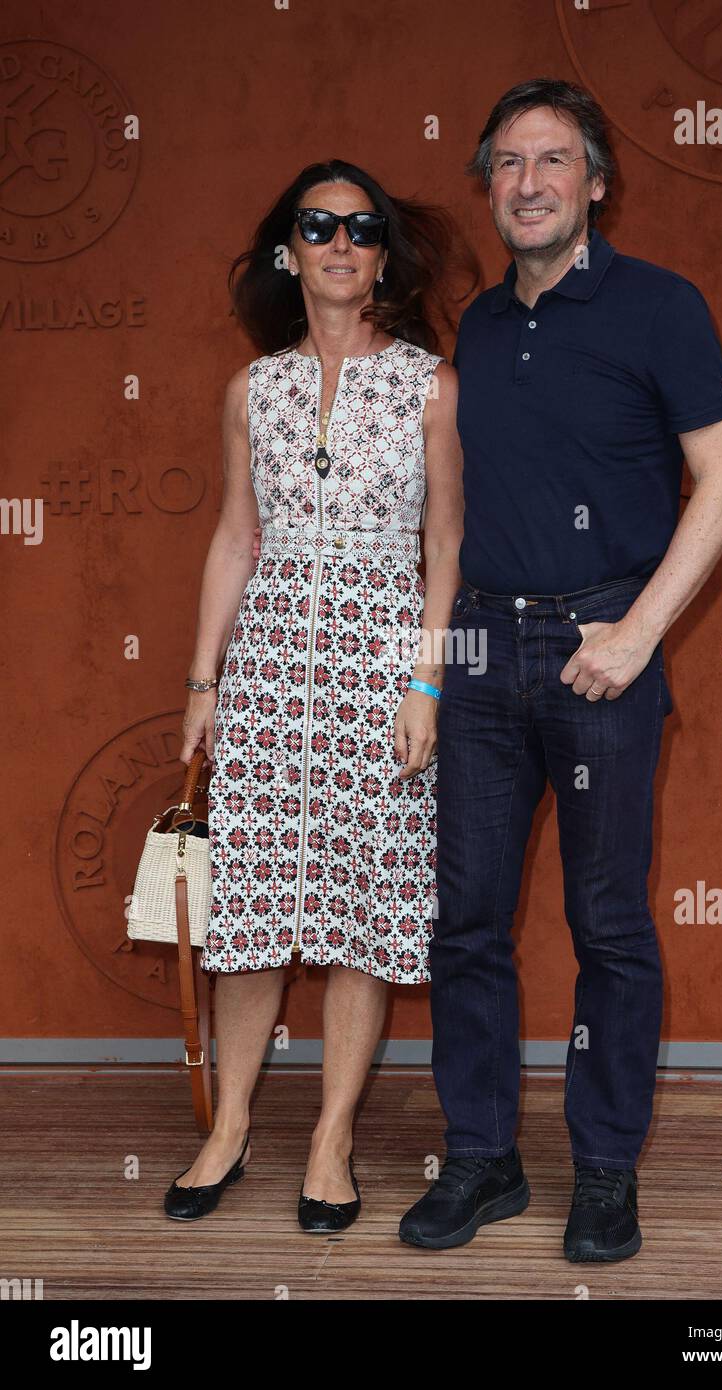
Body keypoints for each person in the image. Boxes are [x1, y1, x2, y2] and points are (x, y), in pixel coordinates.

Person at [398, 79, 722, 1260]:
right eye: (507, 163)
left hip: (605, 645)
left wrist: (640, 631)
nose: (529, 183)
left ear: (597, 182)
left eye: (553, 161)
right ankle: (485, 1159)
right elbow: (453, 522)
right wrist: (441, 668)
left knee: (608, 926)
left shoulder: (662, 306)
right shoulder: (483, 328)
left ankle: (604, 1172)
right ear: (489, 186)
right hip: (487, 649)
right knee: (467, 922)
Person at [164, 160, 466, 1230]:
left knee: (363, 907)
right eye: (319, 225)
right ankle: (232, 1124)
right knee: (250, 912)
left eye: (363, 227)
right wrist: (204, 679)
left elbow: (446, 545)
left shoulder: (433, 385)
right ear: (290, 249)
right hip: (267, 673)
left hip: (380, 673)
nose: (342, 242)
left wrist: (427, 677)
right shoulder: (255, 389)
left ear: (384, 253)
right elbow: (235, 535)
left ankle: (333, 1137)